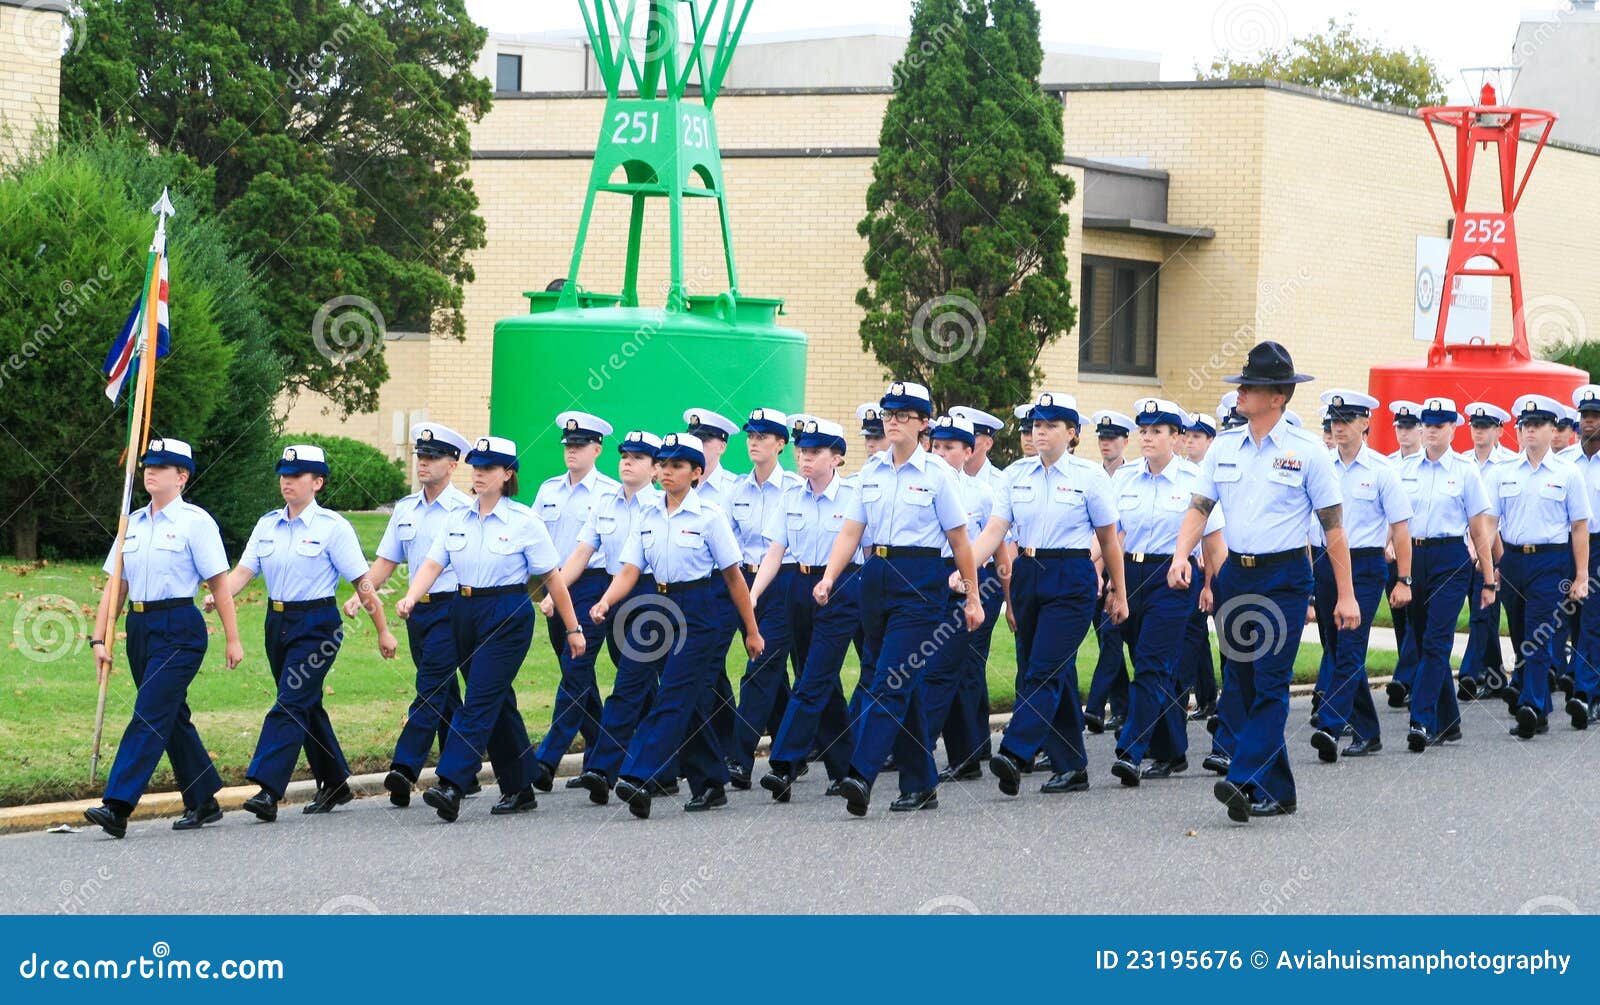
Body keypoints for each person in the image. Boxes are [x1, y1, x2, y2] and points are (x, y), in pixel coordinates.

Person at [1171, 342, 1356, 823]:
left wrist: (1348, 595)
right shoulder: (1225, 448)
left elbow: (1334, 529)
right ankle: (1279, 790)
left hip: (1286, 578)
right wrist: (1180, 555)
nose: (1240, 392)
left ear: (1277, 396)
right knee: (1244, 683)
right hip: (1236, 575)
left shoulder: (1307, 453)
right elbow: (1199, 508)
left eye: (1250, 386)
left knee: (1271, 683)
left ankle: (1243, 775)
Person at [812, 381, 983, 815]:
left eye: (903, 414)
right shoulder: (870, 472)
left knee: (889, 679)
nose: (892, 420)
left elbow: (961, 542)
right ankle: (922, 782)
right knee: (890, 678)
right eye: (888, 413)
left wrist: (973, 597)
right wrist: (830, 577)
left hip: (920, 578)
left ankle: (860, 773)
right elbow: (851, 531)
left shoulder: (938, 475)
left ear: (923, 423)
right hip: (876, 575)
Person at [398, 435, 584, 821]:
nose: (479, 474)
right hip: (462, 610)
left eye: (488, 468)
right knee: (496, 702)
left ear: (507, 474)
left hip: (507, 612)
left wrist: (572, 628)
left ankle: (451, 782)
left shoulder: (524, 521)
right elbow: (433, 564)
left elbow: (553, 578)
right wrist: (412, 597)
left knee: (479, 698)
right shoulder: (457, 518)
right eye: (476, 467)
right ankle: (520, 785)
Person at [209, 444, 398, 822]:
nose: (287, 482)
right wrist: (220, 595)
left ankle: (267, 789)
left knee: (290, 700)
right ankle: (335, 781)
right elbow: (244, 572)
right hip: (276, 622)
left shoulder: (332, 528)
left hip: (317, 625)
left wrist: (383, 630)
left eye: (296, 476)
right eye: (283, 474)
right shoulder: (267, 524)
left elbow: (363, 582)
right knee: (305, 704)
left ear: (318, 482)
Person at [591, 433, 764, 818]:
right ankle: (710, 782)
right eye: (663, 465)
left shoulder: (709, 517)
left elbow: (734, 579)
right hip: (655, 602)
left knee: (673, 693)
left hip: (700, 609)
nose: (666, 472)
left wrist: (751, 630)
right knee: (654, 686)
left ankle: (638, 775)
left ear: (696, 472)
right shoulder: (648, 514)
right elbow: (631, 569)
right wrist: (606, 600)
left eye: (676, 466)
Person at [965, 391, 1127, 797]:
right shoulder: (1015, 474)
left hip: (1071, 575)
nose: (1040, 432)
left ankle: (1017, 750)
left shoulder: (1088, 477)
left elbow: (1109, 541)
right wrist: (962, 567)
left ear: (1071, 433)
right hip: (1028, 574)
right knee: (1049, 672)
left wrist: (1118, 592)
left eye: (1051, 425)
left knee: (1044, 669)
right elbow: (993, 533)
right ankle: (1072, 765)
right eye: (1037, 424)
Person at [83, 438, 244, 839]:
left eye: (162, 466)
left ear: (182, 476)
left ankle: (117, 804)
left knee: (150, 713)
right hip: (140, 627)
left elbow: (220, 586)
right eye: (148, 466)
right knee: (169, 714)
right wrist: (99, 638)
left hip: (180, 629)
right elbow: (115, 587)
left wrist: (232, 639)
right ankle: (204, 797)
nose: (150, 472)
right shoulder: (132, 523)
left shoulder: (196, 523)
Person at [350, 422, 475, 807]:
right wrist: (362, 594)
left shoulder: (465, 510)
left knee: (431, 688)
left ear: (453, 464)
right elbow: (386, 561)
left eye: (433, 457)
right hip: (416, 615)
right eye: (420, 456)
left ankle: (404, 768)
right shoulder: (405, 510)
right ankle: (464, 773)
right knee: (446, 693)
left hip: (452, 608)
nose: (424, 463)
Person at [1108, 399, 1225, 784]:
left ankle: (1131, 748)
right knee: (1150, 665)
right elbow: (1115, 534)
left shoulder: (1195, 481)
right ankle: (1172, 750)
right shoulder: (1123, 479)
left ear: (1175, 438)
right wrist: (1111, 580)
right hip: (1131, 573)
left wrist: (1210, 586)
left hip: (1175, 577)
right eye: (1143, 431)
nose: (1147, 438)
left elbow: (1212, 541)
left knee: (1152, 663)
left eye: (1157, 431)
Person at [753, 418, 861, 799]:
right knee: (820, 679)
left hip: (842, 587)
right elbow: (774, 553)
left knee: (811, 679)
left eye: (814, 452)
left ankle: (784, 764)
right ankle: (845, 768)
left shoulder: (854, 497)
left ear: (837, 458)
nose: (805, 458)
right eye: (801, 451)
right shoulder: (790, 498)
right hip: (797, 587)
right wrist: (751, 596)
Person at [1306, 390, 1413, 761]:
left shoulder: (1382, 471)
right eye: (1334, 420)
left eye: (1346, 420)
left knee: (1350, 646)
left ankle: (1331, 725)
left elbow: (1401, 529)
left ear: (1365, 423)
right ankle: (1368, 731)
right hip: (1324, 563)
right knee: (1335, 647)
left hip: (1365, 565)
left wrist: (1404, 579)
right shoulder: (1321, 467)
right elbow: (1309, 526)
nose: (1338, 427)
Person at [567, 431, 667, 803]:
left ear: (656, 468)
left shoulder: (660, 505)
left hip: (651, 597)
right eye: (625, 455)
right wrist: (556, 592)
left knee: (629, 686)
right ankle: (667, 766)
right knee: (646, 689)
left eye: (639, 458)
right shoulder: (604, 503)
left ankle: (602, 767)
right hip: (611, 592)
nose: (627, 461)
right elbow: (582, 551)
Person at [1483, 395, 1591, 740]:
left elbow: (1579, 526)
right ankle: (1540, 705)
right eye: (1525, 425)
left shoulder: (1567, 472)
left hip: (1550, 560)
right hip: (1513, 559)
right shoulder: (1504, 472)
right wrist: (1493, 563)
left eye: (1538, 425)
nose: (1530, 431)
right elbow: (1490, 522)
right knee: (1518, 633)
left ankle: (1530, 704)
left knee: (1538, 633)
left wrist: (1582, 574)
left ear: (1551, 430)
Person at [1395, 398, 1497, 749]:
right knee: (1423, 640)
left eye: (1439, 425)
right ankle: (1449, 720)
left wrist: (1488, 578)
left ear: (1453, 428)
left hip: (1451, 557)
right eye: (1428, 425)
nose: (1431, 432)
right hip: (1414, 557)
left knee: (1437, 641)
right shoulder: (1406, 469)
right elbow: (1395, 520)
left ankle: (1420, 720)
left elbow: (1479, 529)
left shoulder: (1465, 470)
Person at [528, 411, 619, 790]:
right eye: (568, 445)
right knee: (577, 676)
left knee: (575, 668)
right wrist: (539, 591)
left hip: (593, 587)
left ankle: (546, 760)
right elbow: (532, 540)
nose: (572, 451)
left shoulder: (610, 493)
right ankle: (601, 756)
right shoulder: (549, 490)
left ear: (597, 449)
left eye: (580, 445)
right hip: (554, 588)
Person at [724, 408, 804, 788]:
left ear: (781, 444)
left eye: (763, 436)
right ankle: (802, 749)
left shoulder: (794, 487)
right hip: (744, 584)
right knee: (776, 677)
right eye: (750, 435)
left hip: (783, 583)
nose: (754, 442)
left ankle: (737, 760)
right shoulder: (736, 489)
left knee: (758, 669)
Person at [919, 415, 1001, 782]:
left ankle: (919, 745)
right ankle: (966, 754)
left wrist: (1000, 598)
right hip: (934, 580)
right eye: (936, 446)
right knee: (947, 668)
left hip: (971, 582)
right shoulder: (925, 485)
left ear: (969, 452)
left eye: (949, 447)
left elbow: (1000, 551)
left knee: (950, 668)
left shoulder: (981, 493)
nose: (940, 453)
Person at [1456, 401, 1516, 701]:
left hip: (1495, 550)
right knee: (1485, 615)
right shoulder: (1462, 462)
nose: (1478, 431)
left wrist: (1492, 554)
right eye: (1474, 426)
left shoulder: (1510, 465)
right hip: (1462, 550)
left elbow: (1505, 513)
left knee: (1482, 612)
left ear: (1499, 431)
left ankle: (1468, 673)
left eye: (1485, 426)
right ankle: (1494, 677)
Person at [1084, 408, 1136, 732]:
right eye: (1102, 438)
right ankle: (1122, 706)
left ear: (1125, 441)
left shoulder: (1131, 478)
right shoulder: (1092, 476)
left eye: (1112, 437)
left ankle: (1094, 707)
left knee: (1112, 634)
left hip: (1123, 567)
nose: (1106, 443)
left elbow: (1122, 530)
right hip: (1093, 565)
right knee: (1106, 639)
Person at [1384, 399, 1424, 708]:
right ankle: (1409, 675)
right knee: (1401, 620)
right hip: (1390, 552)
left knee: (1418, 620)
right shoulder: (1388, 464)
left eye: (1409, 427)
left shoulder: (1427, 464)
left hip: (1420, 552)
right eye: (1400, 427)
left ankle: (1407, 677)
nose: (1403, 433)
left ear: (1421, 429)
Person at [1567, 386, 1600, 728]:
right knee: (1572, 620)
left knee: (1592, 621)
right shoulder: (1565, 463)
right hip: (1571, 545)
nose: (1589, 423)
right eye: (1585, 417)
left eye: (1595, 417)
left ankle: (1584, 694)